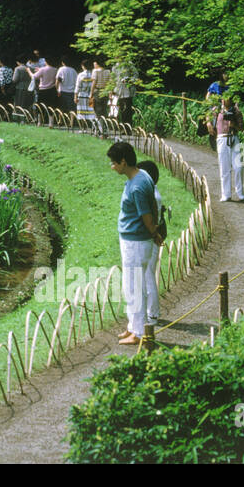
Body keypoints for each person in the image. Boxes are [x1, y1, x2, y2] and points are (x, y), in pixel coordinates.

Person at [107, 141, 159, 345]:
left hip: (136, 243)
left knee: (134, 288)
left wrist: (153, 230)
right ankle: (133, 326)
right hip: (134, 241)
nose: (112, 166)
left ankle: (139, 332)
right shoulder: (142, 176)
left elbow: (146, 215)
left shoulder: (137, 186)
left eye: (114, 163)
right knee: (131, 286)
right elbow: (154, 205)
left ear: (123, 162)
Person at [136, 159, 166, 327]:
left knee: (148, 278)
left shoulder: (152, 195)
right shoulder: (151, 191)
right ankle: (149, 312)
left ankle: (152, 315)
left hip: (149, 240)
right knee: (147, 277)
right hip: (148, 239)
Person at [213, 94, 244, 201]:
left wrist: (234, 125)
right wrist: (209, 123)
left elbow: (241, 128)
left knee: (239, 167)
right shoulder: (217, 110)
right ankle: (226, 194)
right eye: (222, 98)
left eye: (225, 98)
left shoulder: (236, 111)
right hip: (222, 139)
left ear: (230, 100)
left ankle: (240, 192)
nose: (223, 100)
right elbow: (207, 116)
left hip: (234, 138)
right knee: (224, 168)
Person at [112, 58, 136, 126]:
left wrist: (130, 80)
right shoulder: (115, 66)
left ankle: (128, 127)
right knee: (121, 110)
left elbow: (135, 74)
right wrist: (112, 90)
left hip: (127, 91)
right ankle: (123, 127)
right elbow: (113, 79)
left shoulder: (129, 64)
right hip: (118, 91)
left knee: (128, 110)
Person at [75, 61, 96, 129]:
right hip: (90, 96)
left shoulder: (80, 75)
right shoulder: (93, 74)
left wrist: (75, 96)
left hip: (82, 96)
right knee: (91, 111)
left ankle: (83, 127)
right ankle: (93, 127)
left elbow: (77, 86)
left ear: (82, 66)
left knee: (81, 112)